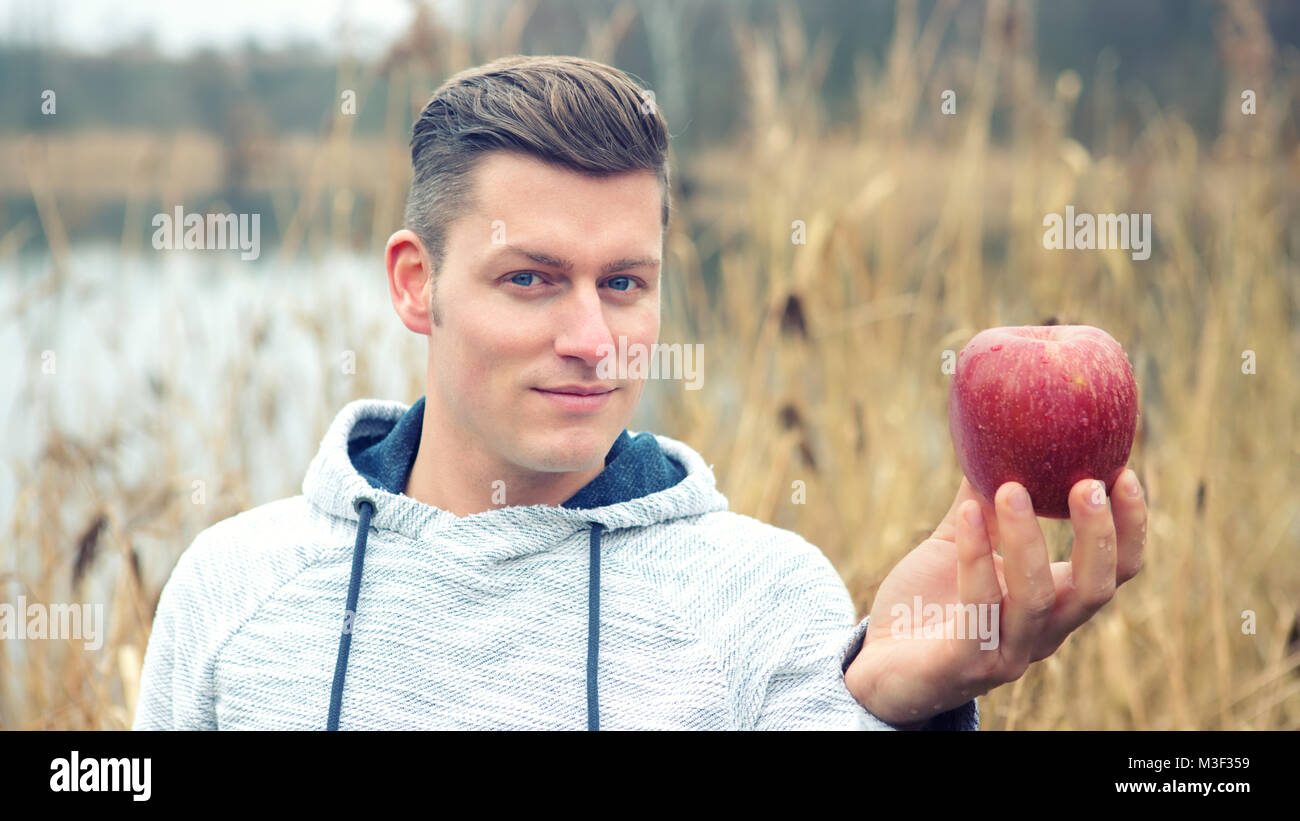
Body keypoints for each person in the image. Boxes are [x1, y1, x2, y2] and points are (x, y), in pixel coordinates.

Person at [133, 55, 1146, 731]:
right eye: (530, 278)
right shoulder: (235, 588)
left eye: (624, 282)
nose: (592, 341)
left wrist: (888, 707)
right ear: (415, 283)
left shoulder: (766, 601)